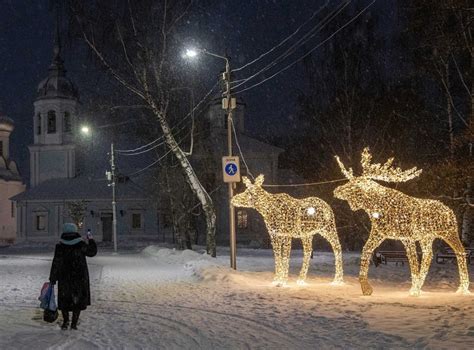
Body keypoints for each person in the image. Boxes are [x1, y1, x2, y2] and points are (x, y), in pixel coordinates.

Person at [49, 223, 97, 330]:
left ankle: (65, 321)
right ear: (75, 231)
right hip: (79, 277)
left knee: (64, 298)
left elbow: (56, 262)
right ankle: (74, 323)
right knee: (78, 299)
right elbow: (92, 252)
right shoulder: (80, 244)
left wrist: (53, 277)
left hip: (64, 276)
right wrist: (91, 239)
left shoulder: (60, 246)